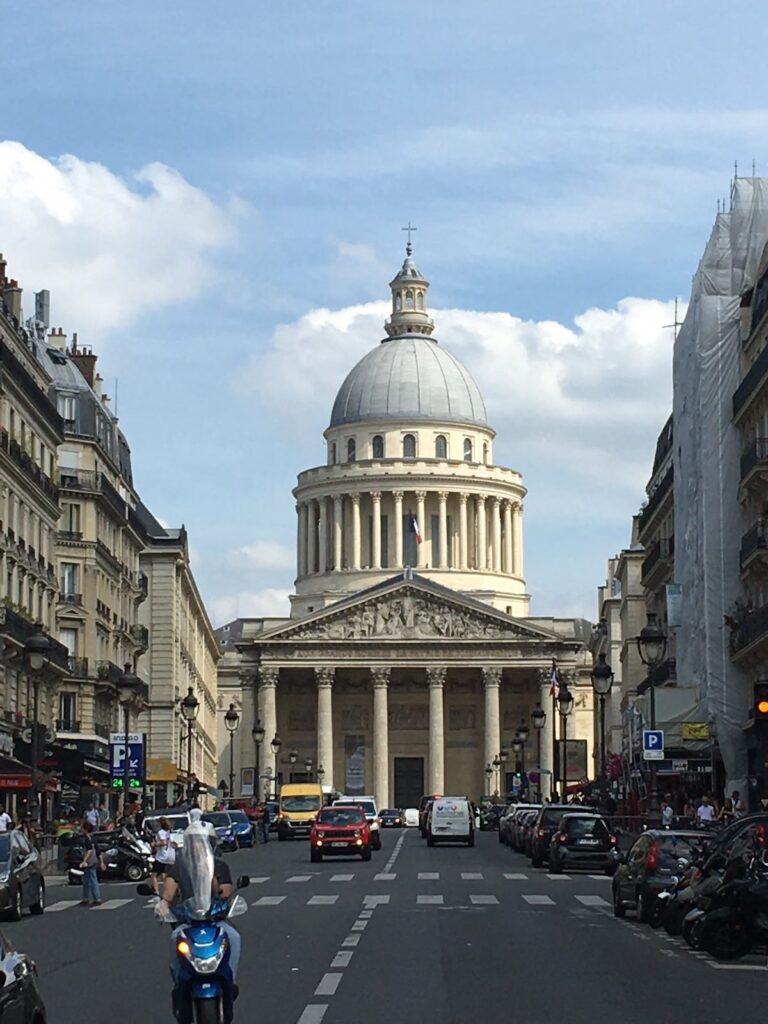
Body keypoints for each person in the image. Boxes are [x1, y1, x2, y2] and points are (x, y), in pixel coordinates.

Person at [157, 822, 240, 1017]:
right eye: (194, 842)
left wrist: (208, 875)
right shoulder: (179, 865)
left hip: (213, 918)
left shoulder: (220, 865)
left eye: (203, 842)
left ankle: (230, 979)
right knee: (174, 938)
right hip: (188, 919)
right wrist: (162, 905)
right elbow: (169, 892)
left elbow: (225, 893)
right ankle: (179, 981)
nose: (199, 846)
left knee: (234, 936)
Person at [79, 822, 102, 907]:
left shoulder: (86, 838)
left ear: (85, 829)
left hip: (89, 861)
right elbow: (97, 850)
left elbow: (89, 850)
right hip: (94, 860)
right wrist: (101, 861)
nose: (80, 829)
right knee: (87, 880)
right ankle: (86, 898)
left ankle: (96, 898)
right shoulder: (93, 837)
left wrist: (84, 861)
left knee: (92, 880)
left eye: (82, 828)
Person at [152, 816, 176, 893]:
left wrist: (154, 844)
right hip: (169, 856)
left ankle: (156, 890)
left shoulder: (161, 832)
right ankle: (168, 889)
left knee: (154, 875)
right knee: (164, 875)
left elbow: (163, 842)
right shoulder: (168, 832)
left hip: (161, 856)